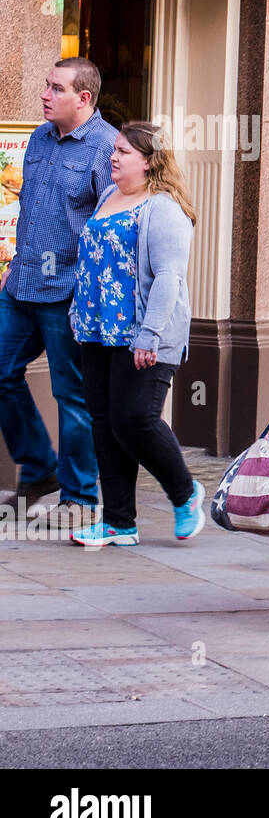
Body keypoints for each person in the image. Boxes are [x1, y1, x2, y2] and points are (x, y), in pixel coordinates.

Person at [68, 123, 204, 546]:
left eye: (124, 151)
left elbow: (167, 277)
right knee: (105, 424)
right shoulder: (110, 197)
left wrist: (148, 335)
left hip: (142, 334)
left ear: (148, 161)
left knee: (135, 420)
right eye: (115, 150)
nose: (114, 156)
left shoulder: (162, 208)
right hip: (97, 330)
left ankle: (186, 493)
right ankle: (119, 523)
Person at [0, 58, 116, 528]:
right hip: (19, 286)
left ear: (83, 98)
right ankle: (40, 468)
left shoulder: (105, 148)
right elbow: (30, 208)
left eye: (56, 88)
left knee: (72, 396)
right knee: (2, 373)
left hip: (68, 292)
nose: (45, 94)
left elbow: (112, 226)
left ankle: (81, 497)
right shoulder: (38, 139)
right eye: (47, 85)